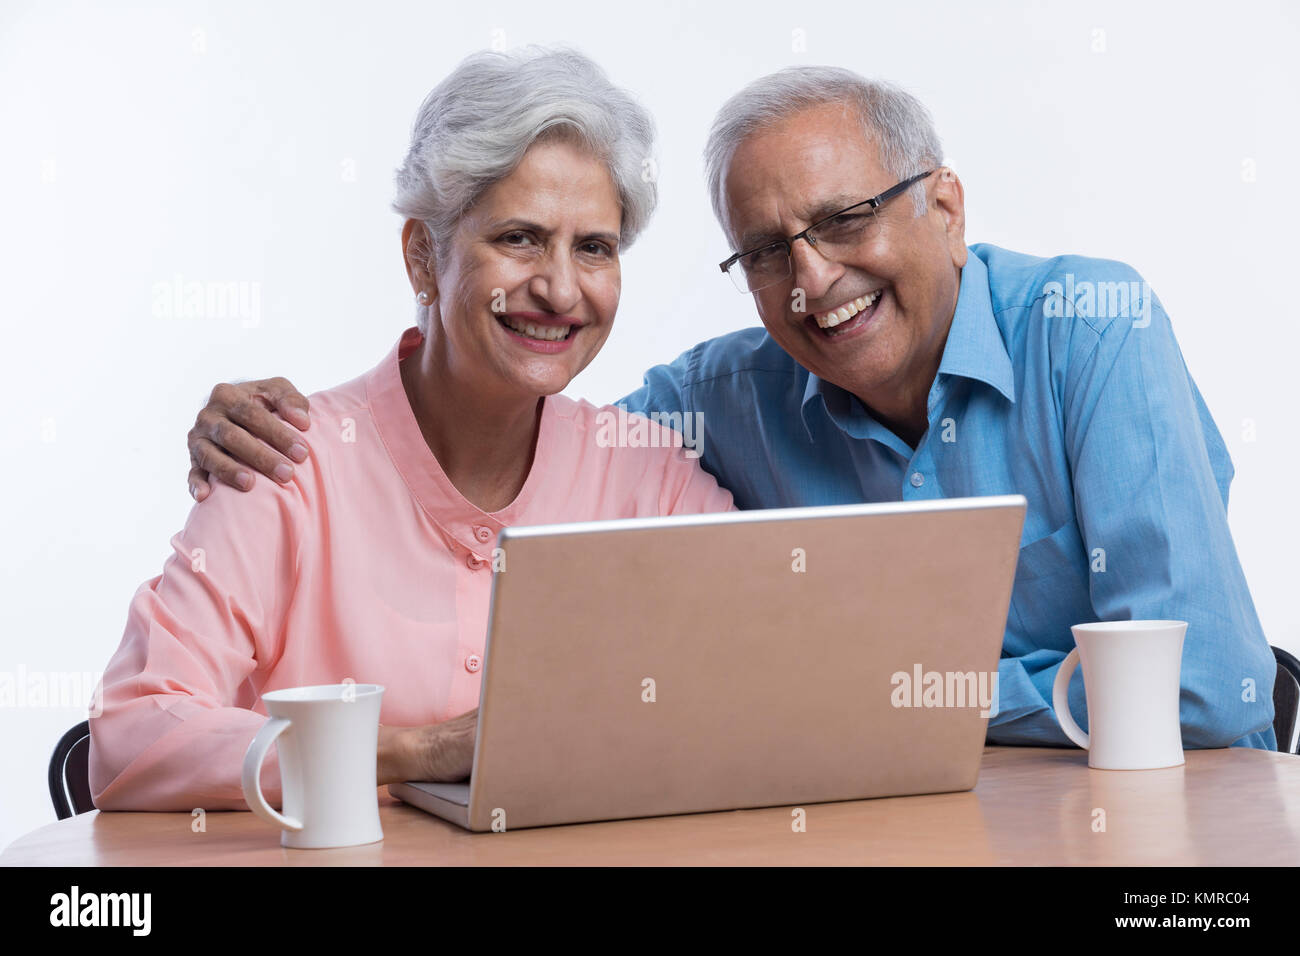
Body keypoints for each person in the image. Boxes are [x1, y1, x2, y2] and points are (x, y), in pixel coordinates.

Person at [191, 66, 1276, 750]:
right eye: (764, 251)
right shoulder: (715, 402)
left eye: (844, 218)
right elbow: (523, 431)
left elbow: (1204, 688)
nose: (811, 280)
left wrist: (899, 692)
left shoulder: (1093, 326)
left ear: (944, 206)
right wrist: (302, 435)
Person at [88, 47, 733, 812]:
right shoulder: (283, 461)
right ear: (423, 256)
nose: (560, 288)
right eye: (519, 238)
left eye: (592, 248)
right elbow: (130, 737)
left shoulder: (652, 480)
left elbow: (755, 689)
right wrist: (412, 753)